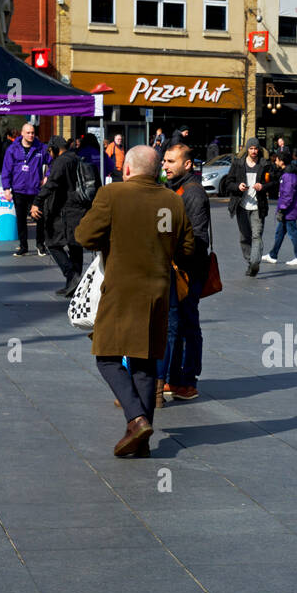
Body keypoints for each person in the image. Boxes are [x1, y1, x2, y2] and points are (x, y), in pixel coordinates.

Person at [73, 145, 196, 457]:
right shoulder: (172, 201)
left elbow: (85, 236)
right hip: (157, 292)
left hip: (120, 290)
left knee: (107, 355)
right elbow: (188, 250)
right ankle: (142, 444)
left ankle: (136, 418)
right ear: (156, 171)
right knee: (144, 364)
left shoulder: (112, 195)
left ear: (127, 169)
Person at [159, 144, 211, 402]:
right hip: (175, 269)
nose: (165, 165)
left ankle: (188, 381)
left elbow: (200, 239)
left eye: (170, 161)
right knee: (175, 326)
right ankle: (173, 378)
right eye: (164, 161)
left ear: (187, 164)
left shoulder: (193, 194)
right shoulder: (172, 189)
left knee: (188, 324)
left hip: (188, 272)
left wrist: (180, 261)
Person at [30, 135, 91, 295]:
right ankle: (74, 285)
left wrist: (37, 201)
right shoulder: (75, 158)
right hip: (78, 207)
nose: (49, 155)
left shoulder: (61, 161)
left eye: (50, 151)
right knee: (74, 245)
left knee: (52, 243)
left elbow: (52, 183)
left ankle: (71, 275)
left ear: (55, 149)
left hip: (65, 210)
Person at [221, 138, 271, 277]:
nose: (254, 151)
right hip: (241, 205)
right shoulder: (238, 164)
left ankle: (255, 263)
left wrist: (263, 186)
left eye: (256, 148)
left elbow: (273, 182)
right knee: (244, 236)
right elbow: (228, 183)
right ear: (247, 149)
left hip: (258, 206)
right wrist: (238, 186)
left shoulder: (264, 163)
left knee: (257, 235)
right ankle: (250, 261)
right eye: (251, 148)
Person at [1, 122, 49, 257]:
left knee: (40, 217)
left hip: (35, 190)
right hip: (19, 189)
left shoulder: (41, 148)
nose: (31, 135)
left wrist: (47, 177)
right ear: (22, 133)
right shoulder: (12, 149)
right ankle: (23, 246)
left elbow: (53, 162)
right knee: (21, 219)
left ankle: (40, 244)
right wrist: (6, 188)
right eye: (28, 132)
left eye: (33, 132)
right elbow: (6, 169)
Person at [262, 150, 297, 266]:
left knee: (292, 233)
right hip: (288, 210)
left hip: (289, 211)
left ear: (281, 162)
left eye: (277, 159)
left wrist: (282, 209)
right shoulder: (289, 174)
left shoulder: (288, 176)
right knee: (279, 232)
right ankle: (273, 255)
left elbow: (287, 195)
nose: (275, 161)